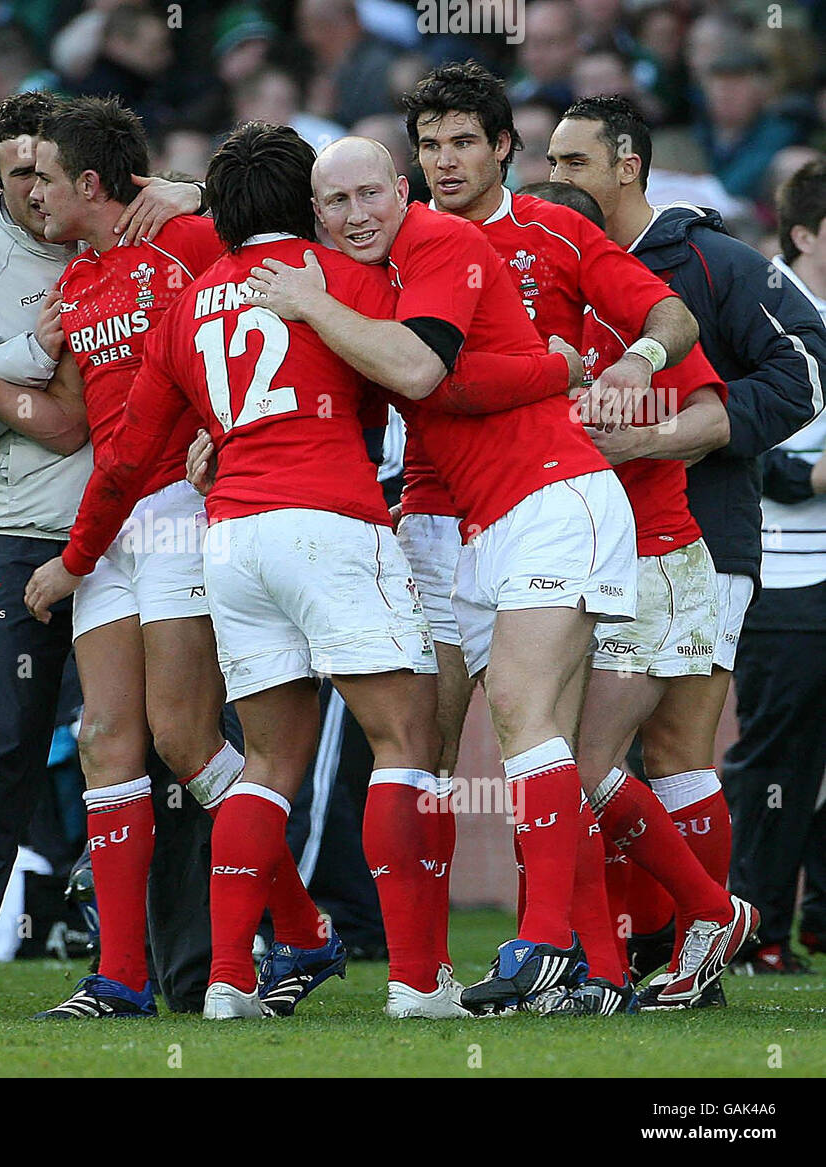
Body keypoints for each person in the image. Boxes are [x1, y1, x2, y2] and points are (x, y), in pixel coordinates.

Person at [33, 127, 583, 1019]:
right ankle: (415, 985)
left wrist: (76, 557)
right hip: (330, 519)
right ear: (307, 206)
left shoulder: (187, 304)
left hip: (232, 542)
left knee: (264, 765)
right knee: (404, 743)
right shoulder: (346, 284)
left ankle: (224, 982)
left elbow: (128, 454)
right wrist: (555, 365)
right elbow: (413, 378)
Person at [247, 135, 757, 1012]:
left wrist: (615, 374)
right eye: (335, 204)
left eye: (372, 194)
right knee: (562, 756)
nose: (356, 214)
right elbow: (406, 382)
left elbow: (419, 368)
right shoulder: (379, 277)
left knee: (575, 736)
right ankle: (660, 935)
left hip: (601, 519)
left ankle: (558, 946)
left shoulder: (450, 245)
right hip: (491, 525)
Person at [0, 92, 203, 1020]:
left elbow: (271, 211)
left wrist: (190, 191)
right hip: (25, 541)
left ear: (79, 175)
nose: (31, 188)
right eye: (15, 172)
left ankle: (190, 973)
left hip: (153, 529)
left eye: (42, 170)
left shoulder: (149, 232)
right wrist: (28, 349)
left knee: (172, 748)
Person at [550, 93, 826, 1000]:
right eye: (550, 164)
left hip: (702, 533)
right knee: (602, 757)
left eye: (576, 162)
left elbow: (803, 377)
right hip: (586, 536)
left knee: (672, 749)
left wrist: (672, 438)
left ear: (628, 163)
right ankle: (643, 945)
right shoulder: (556, 261)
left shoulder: (715, 259)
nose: (558, 179)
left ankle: (691, 949)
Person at [723, 159, 826, 974]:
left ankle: (815, 916)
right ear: (803, 234)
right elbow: (736, 438)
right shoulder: (758, 305)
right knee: (775, 759)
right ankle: (750, 923)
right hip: (784, 572)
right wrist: (814, 476)